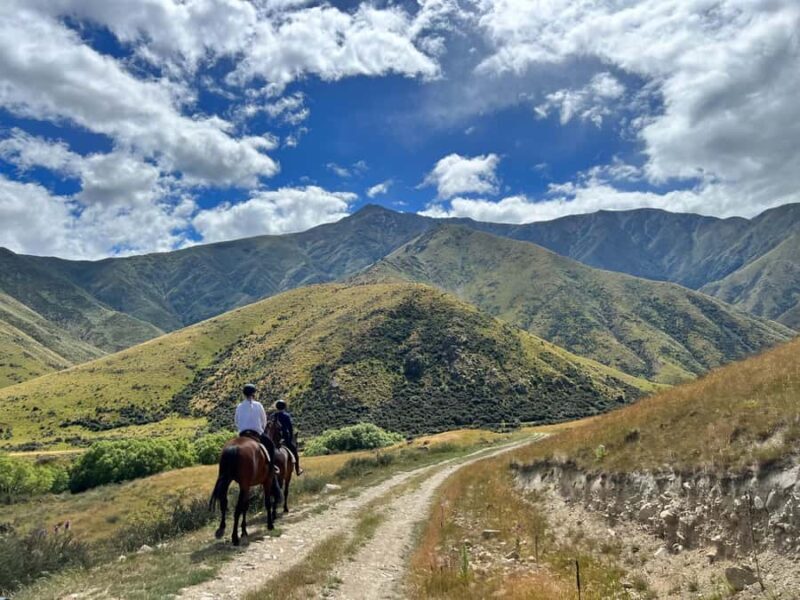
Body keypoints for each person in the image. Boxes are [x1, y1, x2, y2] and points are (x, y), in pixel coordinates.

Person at [235, 384, 282, 499]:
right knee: (270, 446)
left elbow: (236, 421)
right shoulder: (258, 405)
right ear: (254, 393)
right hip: (256, 434)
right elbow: (264, 421)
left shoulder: (239, 406)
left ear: (244, 394)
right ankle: (272, 468)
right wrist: (260, 429)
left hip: (242, 434)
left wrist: (242, 429)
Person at [274, 400, 303, 475]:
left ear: (276, 407)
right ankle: (297, 469)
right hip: (284, 437)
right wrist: (289, 438)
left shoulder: (273, 416)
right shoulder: (286, 416)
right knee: (295, 453)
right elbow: (290, 428)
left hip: (274, 439)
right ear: (284, 407)